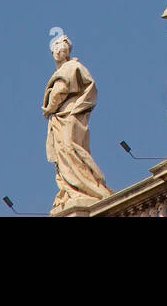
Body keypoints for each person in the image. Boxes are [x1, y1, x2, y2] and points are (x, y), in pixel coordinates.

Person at [43, 35, 111, 213]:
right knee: (66, 152)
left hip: (68, 115)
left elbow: (60, 91)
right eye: (56, 49)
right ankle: (73, 188)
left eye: (61, 49)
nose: (58, 52)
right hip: (68, 116)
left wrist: (49, 108)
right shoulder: (70, 68)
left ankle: (86, 187)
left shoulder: (70, 67)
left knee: (69, 149)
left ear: (66, 53)